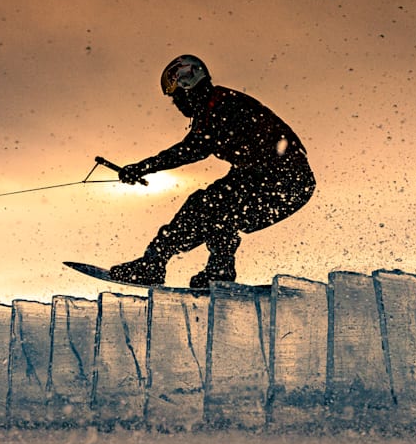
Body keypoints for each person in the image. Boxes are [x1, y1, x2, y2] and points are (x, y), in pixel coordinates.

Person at [109, 54, 315, 289]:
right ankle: (156, 263)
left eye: (175, 98)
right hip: (267, 177)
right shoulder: (213, 106)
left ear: (187, 88)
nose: (176, 106)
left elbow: (192, 149)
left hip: (286, 180)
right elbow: (196, 147)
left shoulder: (222, 105)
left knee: (216, 205)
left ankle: (215, 269)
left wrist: (143, 167)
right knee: (205, 205)